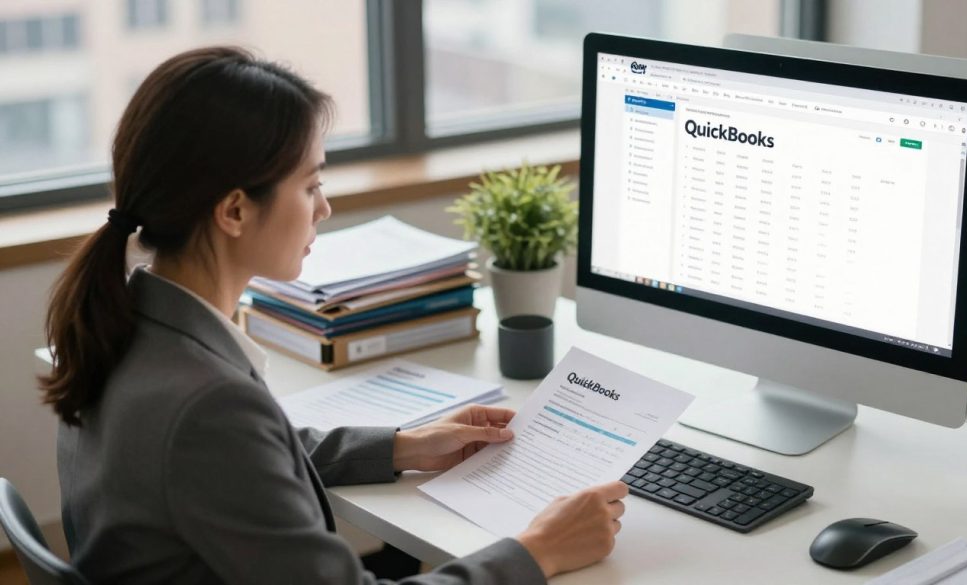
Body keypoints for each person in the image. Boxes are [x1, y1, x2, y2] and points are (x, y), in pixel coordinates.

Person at [39, 46, 627, 585]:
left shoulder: (128, 326)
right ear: (235, 211)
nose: (325, 206)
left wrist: (403, 446)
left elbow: (238, 462)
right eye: (310, 184)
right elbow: (221, 441)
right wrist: (537, 550)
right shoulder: (206, 405)